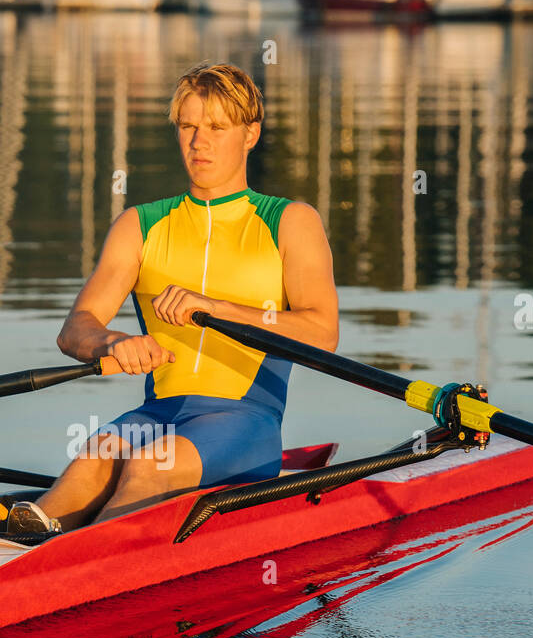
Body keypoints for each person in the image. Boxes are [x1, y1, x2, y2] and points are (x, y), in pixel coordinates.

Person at [29, 61, 339, 532]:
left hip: (244, 423)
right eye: (189, 126)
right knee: (94, 457)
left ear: (250, 134)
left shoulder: (290, 221)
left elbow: (323, 333)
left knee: (151, 464)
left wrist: (218, 310)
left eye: (217, 127)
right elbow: (77, 327)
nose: (200, 141)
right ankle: (17, 553)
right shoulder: (140, 225)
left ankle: (82, 572)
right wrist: (110, 343)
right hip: (158, 414)